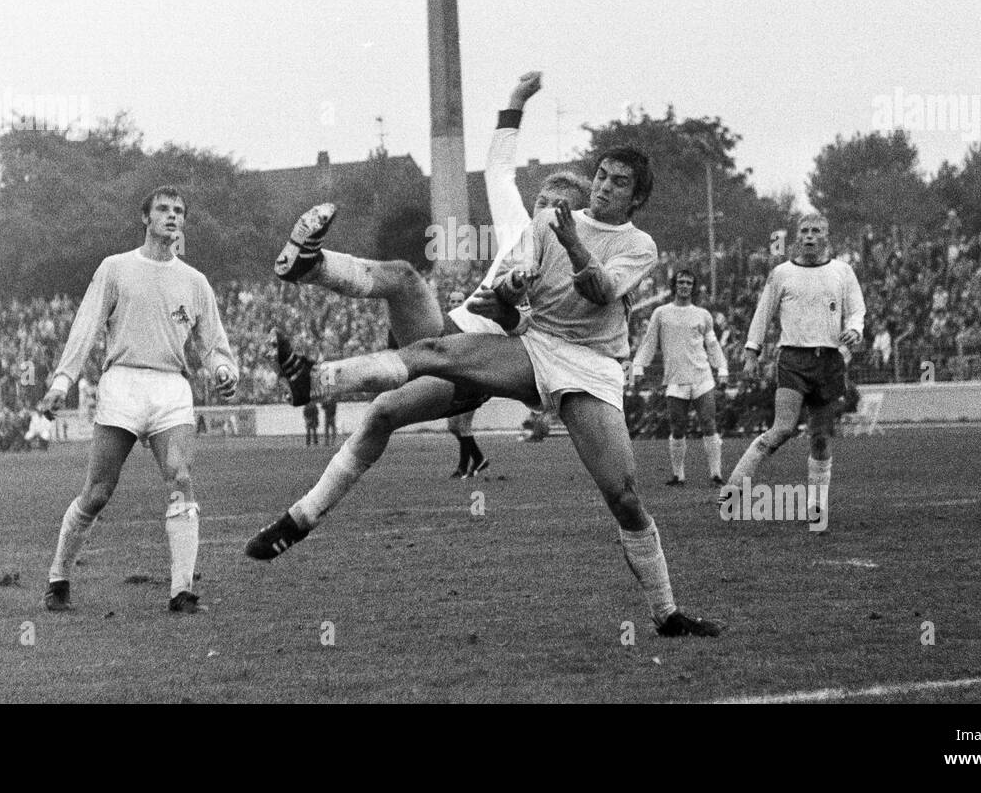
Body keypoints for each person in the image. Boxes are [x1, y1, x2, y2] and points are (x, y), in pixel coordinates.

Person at [251, 146, 722, 638]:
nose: (604, 186)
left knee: (624, 497)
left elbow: (599, 290)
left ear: (636, 197)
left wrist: (564, 248)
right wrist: (510, 292)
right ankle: (316, 380)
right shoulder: (537, 229)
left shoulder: (637, 244)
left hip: (589, 367)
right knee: (409, 368)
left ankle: (666, 613)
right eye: (600, 176)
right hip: (524, 347)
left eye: (616, 182)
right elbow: (517, 307)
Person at [269, 72, 589, 481]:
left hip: (474, 370)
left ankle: (314, 393)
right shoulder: (519, 231)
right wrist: (516, 101)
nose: (543, 211)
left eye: (556, 207)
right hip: (446, 332)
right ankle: (310, 266)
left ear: (576, 220)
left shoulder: (576, 276)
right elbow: (499, 170)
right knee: (403, 277)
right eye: (541, 202)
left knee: (383, 411)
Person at [36, 186, 239, 614]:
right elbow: (86, 326)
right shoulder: (116, 269)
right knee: (97, 492)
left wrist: (224, 371)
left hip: (170, 387)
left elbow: (213, 345)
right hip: (123, 384)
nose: (172, 216)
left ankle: (181, 591)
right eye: (163, 209)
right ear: (144, 218)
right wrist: (62, 381)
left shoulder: (195, 282)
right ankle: (58, 579)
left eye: (179, 211)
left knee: (181, 478)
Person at [721, 214, 865, 530]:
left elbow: (856, 310)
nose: (810, 236)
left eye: (816, 231)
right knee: (782, 428)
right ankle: (733, 487)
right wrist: (751, 351)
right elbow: (763, 313)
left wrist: (854, 329)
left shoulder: (842, 271)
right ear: (797, 237)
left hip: (828, 361)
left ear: (827, 236)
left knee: (821, 438)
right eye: (804, 231)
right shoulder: (782, 273)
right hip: (793, 359)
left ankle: (817, 510)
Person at [629, 269, 728, 487]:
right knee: (677, 426)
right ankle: (678, 475)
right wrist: (638, 368)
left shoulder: (703, 315)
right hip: (675, 378)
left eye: (689, 283)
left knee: (709, 423)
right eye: (681, 282)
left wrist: (721, 369)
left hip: (702, 377)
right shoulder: (661, 313)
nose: (684, 286)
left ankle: (716, 474)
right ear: (675, 285)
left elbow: (712, 345)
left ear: (693, 287)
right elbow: (649, 342)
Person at [444, 289, 489, 478]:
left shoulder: (472, 322)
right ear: (448, 304)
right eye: (453, 301)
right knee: (453, 426)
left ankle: (463, 468)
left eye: (459, 301)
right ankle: (478, 459)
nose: (456, 304)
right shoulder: (446, 323)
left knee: (463, 425)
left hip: (472, 378)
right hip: (457, 380)